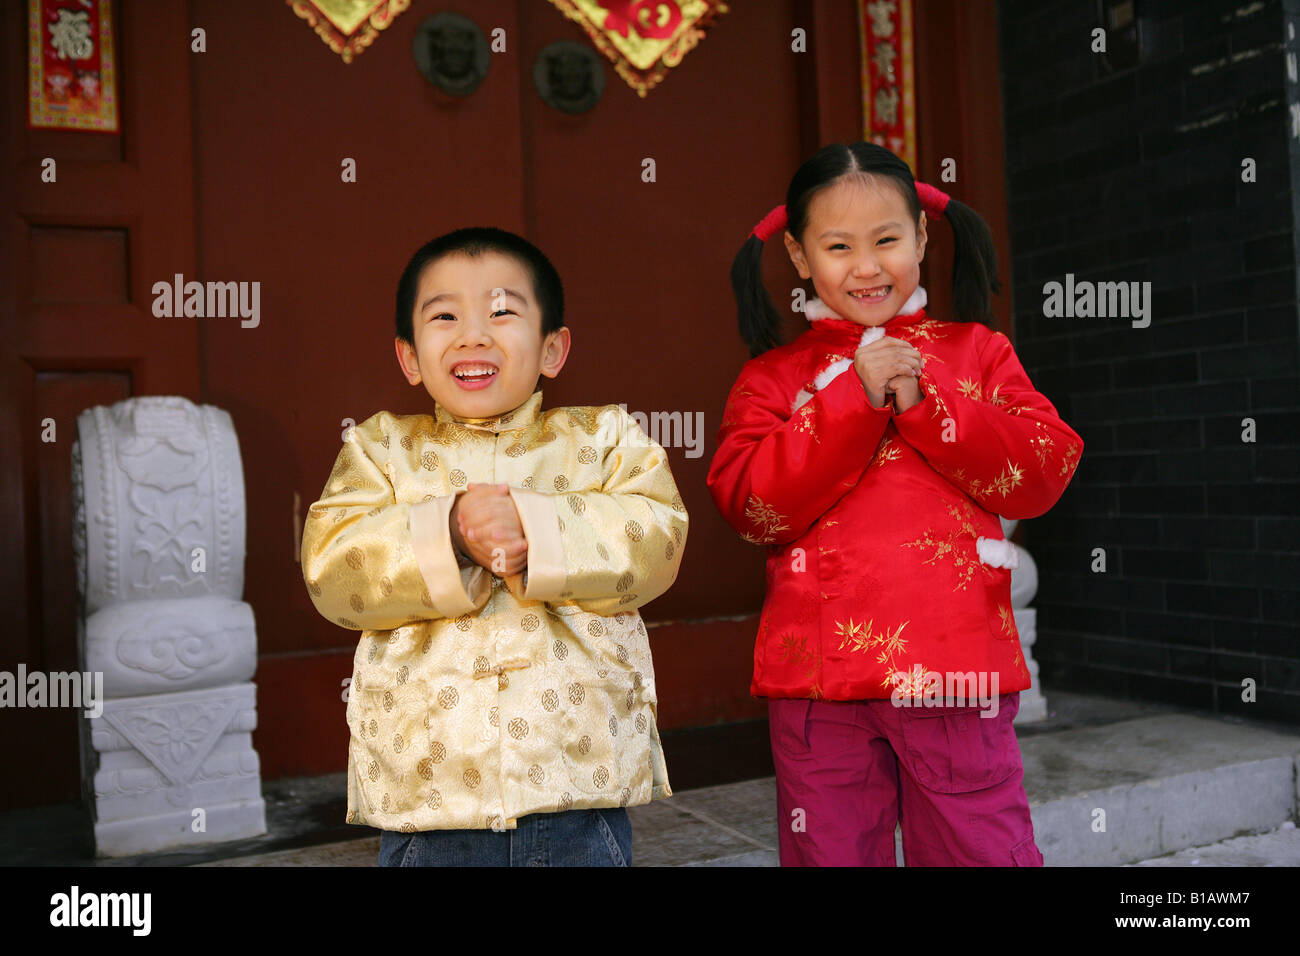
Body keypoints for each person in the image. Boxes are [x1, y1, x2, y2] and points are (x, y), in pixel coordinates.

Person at [706, 141, 1083, 866]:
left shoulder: (976, 351)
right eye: (838, 245)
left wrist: (925, 401)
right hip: (819, 680)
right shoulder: (773, 378)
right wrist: (850, 399)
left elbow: (1044, 470)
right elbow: (753, 507)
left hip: (955, 666)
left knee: (979, 851)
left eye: (887, 240)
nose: (867, 265)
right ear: (798, 254)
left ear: (922, 236)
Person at [301, 227, 688, 866]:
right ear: (409, 357)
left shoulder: (606, 438)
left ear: (553, 348)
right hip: (429, 794)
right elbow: (332, 569)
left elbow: (658, 539)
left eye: (502, 312)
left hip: (575, 786)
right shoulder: (381, 451)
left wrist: (538, 528)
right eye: (445, 315)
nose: (473, 334)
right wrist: (448, 529)